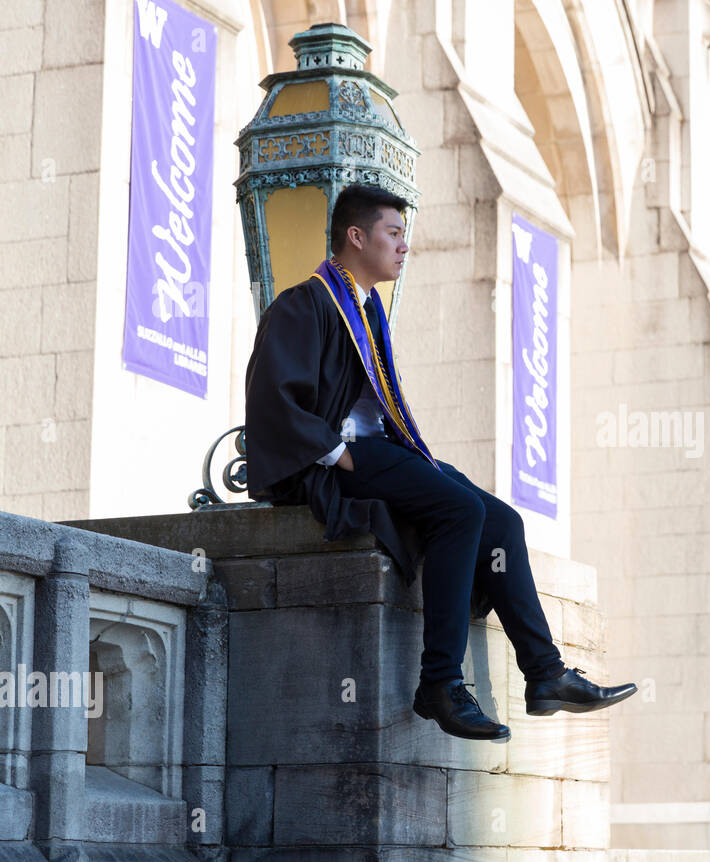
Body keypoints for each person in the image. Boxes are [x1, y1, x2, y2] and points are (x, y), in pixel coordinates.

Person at [243, 183, 637, 742]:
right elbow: (270, 401)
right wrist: (340, 454)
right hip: (331, 463)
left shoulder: (367, 306)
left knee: (503, 521)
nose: (404, 246)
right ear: (356, 236)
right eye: (394, 233)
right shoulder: (304, 303)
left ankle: (545, 674)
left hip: (382, 450)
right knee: (458, 510)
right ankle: (440, 683)